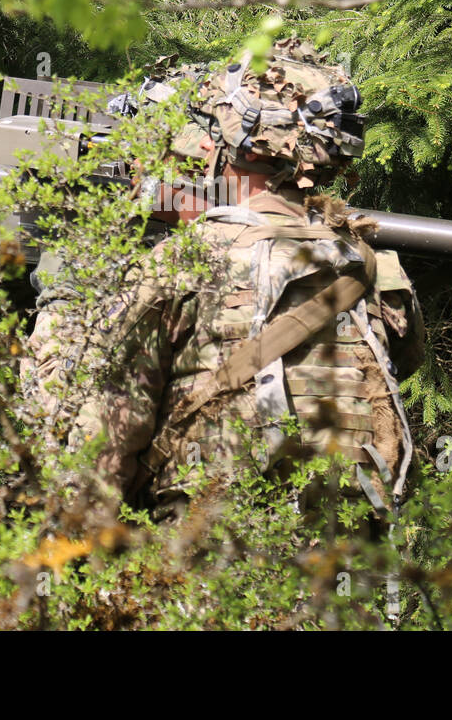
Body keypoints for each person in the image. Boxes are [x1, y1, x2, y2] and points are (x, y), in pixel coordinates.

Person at [31, 39, 425, 520]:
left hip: (213, 557)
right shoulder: (370, 265)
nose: (200, 145)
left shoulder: (183, 265)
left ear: (228, 145)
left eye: (211, 131)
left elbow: (90, 448)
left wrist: (66, 291)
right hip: (352, 556)